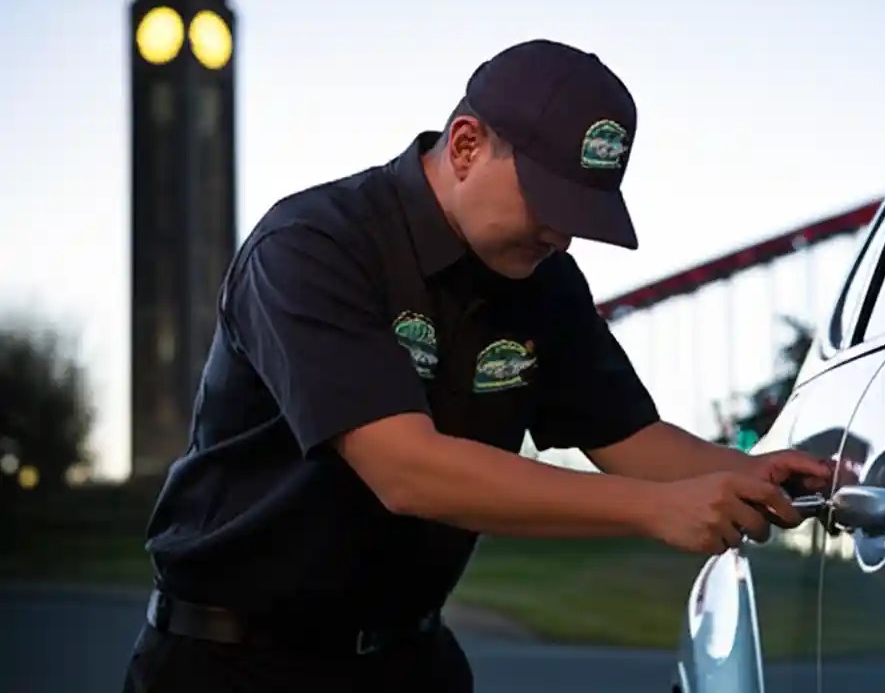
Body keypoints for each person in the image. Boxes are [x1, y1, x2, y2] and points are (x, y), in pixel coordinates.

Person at [120, 38, 834, 693]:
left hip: (408, 661)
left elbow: (629, 439)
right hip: (231, 664)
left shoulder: (546, 279)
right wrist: (654, 512)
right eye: (549, 200)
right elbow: (406, 470)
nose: (561, 231)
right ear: (466, 146)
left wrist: (748, 473)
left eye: (583, 212)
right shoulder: (314, 245)